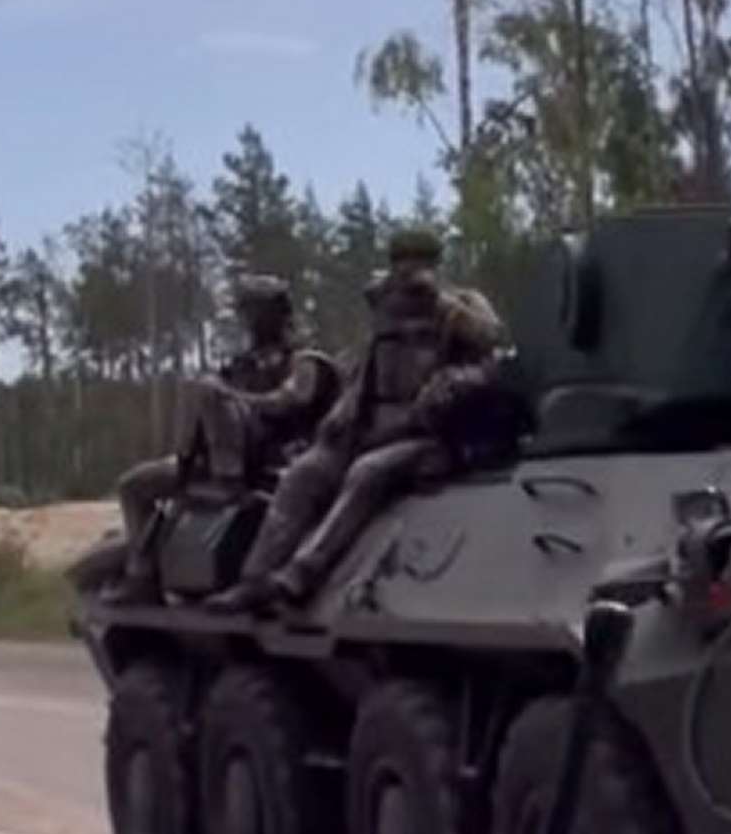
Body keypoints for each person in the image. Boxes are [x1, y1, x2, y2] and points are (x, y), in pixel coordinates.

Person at [205, 229, 507, 614]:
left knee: (368, 472)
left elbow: (494, 352)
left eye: (418, 266)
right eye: (402, 266)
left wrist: (448, 326)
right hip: (372, 428)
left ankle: (303, 570)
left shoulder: (459, 307)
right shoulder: (387, 312)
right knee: (305, 474)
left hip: (432, 434)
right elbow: (369, 370)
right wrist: (342, 416)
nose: (410, 277)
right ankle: (253, 581)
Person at [102, 275, 339, 605]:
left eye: (254, 311)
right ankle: (142, 577)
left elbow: (290, 402)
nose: (247, 320)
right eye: (245, 311)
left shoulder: (307, 362)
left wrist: (231, 398)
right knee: (134, 484)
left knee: (210, 391)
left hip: (282, 464)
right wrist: (189, 455)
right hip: (220, 461)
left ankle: (228, 481)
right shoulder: (242, 365)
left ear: (277, 314)